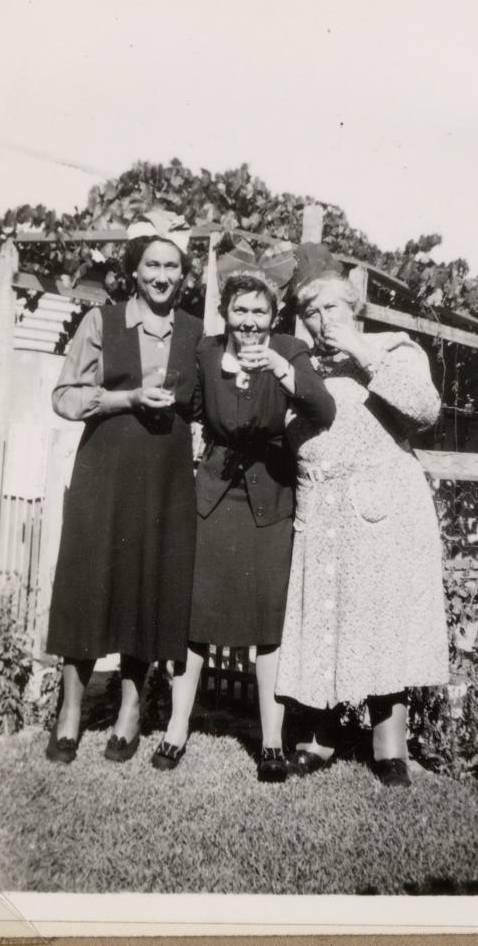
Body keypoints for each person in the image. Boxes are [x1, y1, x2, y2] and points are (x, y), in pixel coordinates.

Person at [152, 270, 336, 782]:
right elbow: (186, 406)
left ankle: (271, 741)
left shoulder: (290, 349)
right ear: (226, 314)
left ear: (273, 316)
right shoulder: (207, 353)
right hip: (212, 498)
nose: (250, 321)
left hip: (269, 499)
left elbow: (324, 407)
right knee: (195, 617)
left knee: (267, 623)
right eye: (240, 311)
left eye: (259, 312)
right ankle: (176, 728)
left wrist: (278, 367)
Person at [276, 270, 450, 786]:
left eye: (333, 308)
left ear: (356, 309)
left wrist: (358, 348)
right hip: (321, 507)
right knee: (326, 621)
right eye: (312, 311)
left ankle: (389, 745)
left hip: (382, 508)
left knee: (378, 620)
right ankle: (321, 735)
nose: (323, 320)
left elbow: (425, 410)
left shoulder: (394, 349)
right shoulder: (299, 364)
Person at [44, 233, 203, 764]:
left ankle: (130, 711)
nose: (162, 276)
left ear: (184, 275)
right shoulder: (103, 322)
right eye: (152, 265)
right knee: (87, 581)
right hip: (104, 471)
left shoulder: (198, 334)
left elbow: (207, 406)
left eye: (172, 267)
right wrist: (125, 398)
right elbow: (64, 396)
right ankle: (70, 710)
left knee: (148, 586)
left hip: (167, 478)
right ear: (134, 271)